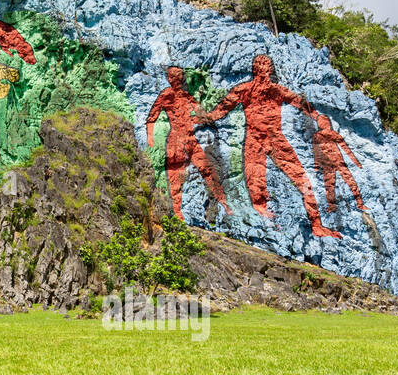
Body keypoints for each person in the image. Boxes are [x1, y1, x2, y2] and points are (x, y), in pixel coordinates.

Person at [199, 54, 341, 238]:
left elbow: (300, 103)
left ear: (271, 69)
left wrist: (317, 115)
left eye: (266, 65)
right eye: (259, 65)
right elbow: (222, 109)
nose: (263, 69)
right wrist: (203, 118)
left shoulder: (277, 91)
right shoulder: (245, 90)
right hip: (254, 139)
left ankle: (316, 225)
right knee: (255, 179)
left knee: (302, 179)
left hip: (275, 138)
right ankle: (260, 214)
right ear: (254, 69)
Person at [145, 66, 231, 218]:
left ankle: (223, 202)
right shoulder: (166, 95)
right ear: (170, 79)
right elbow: (152, 117)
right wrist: (150, 137)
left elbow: (202, 115)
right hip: (176, 140)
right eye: (174, 76)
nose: (178, 79)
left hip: (191, 139)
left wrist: (199, 117)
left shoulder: (187, 96)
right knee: (175, 176)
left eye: (180, 76)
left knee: (207, 170)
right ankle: (177, 213)